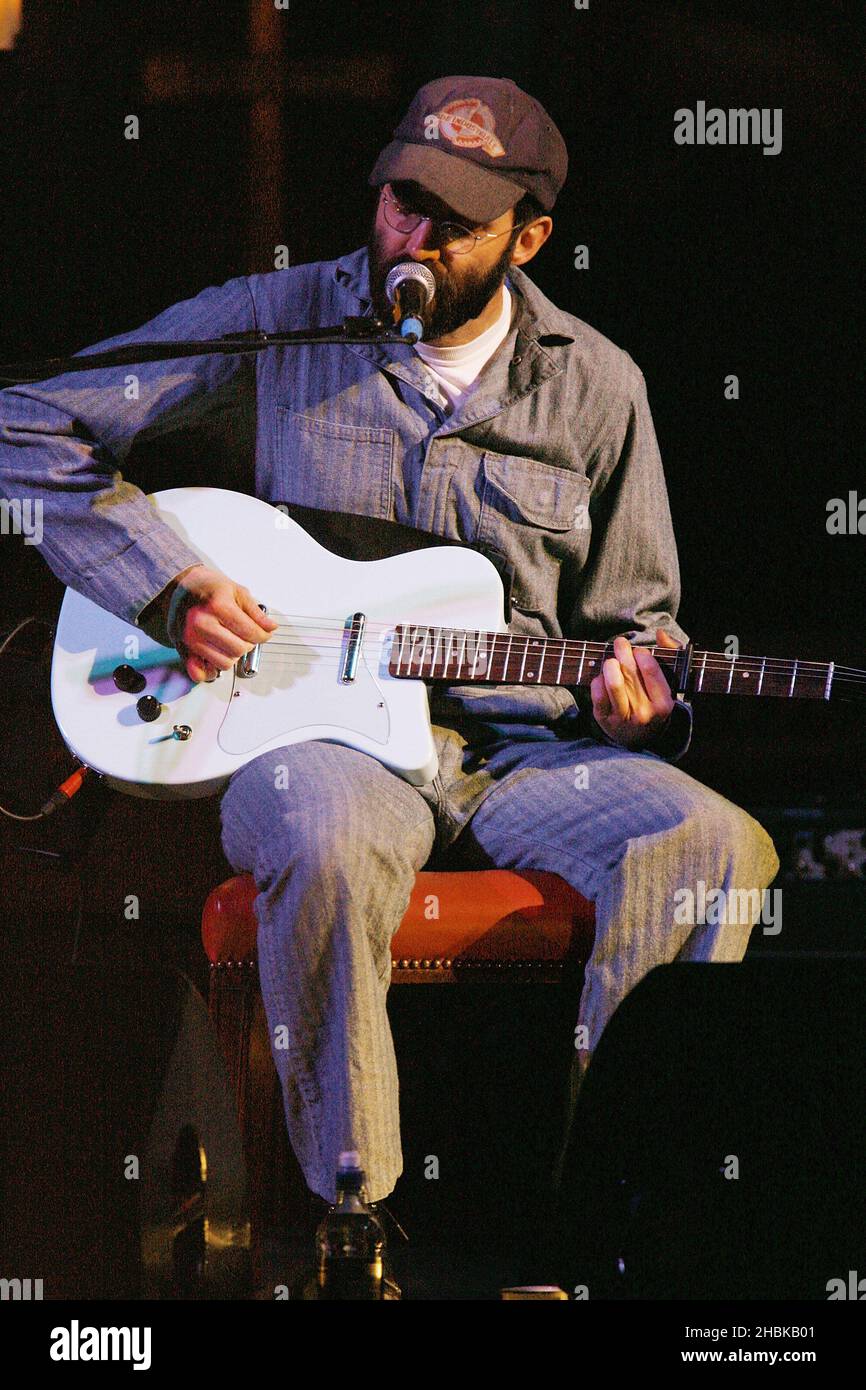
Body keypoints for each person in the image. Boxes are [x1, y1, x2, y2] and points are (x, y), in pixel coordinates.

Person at [0, 75, 779, 1287]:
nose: (407, 237)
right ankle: (350, 1222)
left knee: (713, 846)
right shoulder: (280, 319)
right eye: (397, 201)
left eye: (449, 219)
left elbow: (638, 630)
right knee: (318, 819)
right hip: (331, 749)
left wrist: (653, 704)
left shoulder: (599, 386)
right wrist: (167, 583)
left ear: (526, 238)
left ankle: (607, 1214)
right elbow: (24, 421)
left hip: (527, 757)